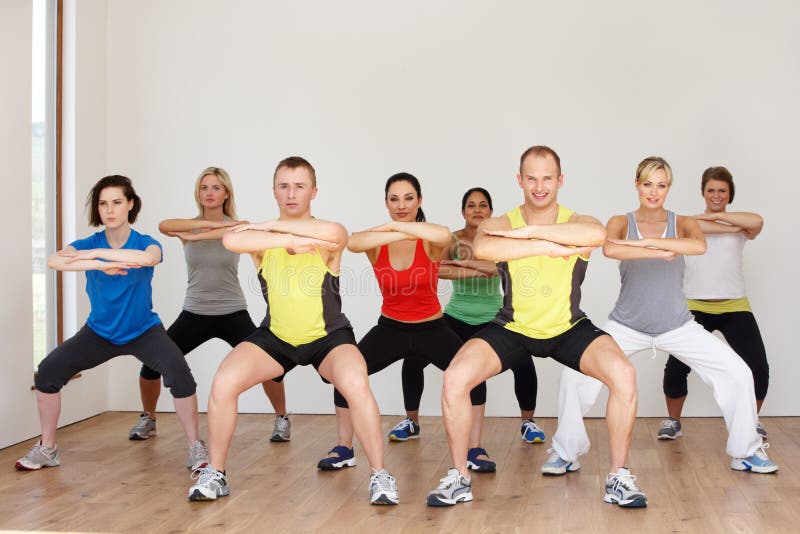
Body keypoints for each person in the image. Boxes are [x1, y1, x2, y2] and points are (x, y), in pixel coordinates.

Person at [428, 146, 644, 508]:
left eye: (547, 178)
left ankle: (618, 477)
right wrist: (548, 242)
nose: (539, 186)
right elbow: (482, 247)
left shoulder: (581, 220)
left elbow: (596, 237)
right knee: (455, 378)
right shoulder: (498, 225)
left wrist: (526, 236)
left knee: (623, 373)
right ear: (520, 180)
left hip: (568, 327)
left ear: (560, 180)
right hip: (512, 327)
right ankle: (459, 478)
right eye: (531, 178)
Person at [549, 156, 777, 491]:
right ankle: (565, 452)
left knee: (739, 373)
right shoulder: (620, 221)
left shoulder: (683, 222)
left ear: (668, 188)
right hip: (625, 325)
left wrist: (642, 246)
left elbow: (696, 245)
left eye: (661, 185)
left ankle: (745, 451)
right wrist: (660, 249)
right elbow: (611, 249)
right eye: (647, 184)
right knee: (573, 376)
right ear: (636, 184)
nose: (654, 192)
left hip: (677, 325)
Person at [187, 157, 398, 505]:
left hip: (327, 337)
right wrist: (281, 234)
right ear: (274, 190)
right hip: (276, 337)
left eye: (299, 186)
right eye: (284, 186)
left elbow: (337, 233)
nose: (291, 193)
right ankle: (217, 474)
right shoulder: (264, 238)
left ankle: (380, 475)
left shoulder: (326, 233)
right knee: (224, 381)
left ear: (313, 191)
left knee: (356, 381)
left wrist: (275, 231)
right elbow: (229, 238)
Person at [17, 175, 207, 472]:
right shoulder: (87, 243)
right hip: (99, 332)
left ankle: (195, 446)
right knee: (48, 372)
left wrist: (92, 255)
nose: (110, 209)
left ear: (130, 204)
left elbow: (147, 259)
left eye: (117, 202)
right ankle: (47, 448)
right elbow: (55, 261)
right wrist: (101, 263)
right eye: (103, 204)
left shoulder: (145, 242)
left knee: (180, 375)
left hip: (144, 330)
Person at [318, 173, 493, 473]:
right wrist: (398, 229)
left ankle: (474, 449)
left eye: (409, 198)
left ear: (420, 201)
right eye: (394, 199)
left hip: (432, 329)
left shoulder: (432, 242)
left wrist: (399, 227)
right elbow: (354, 242)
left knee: (472, 376)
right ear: (385, 202)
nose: (401, 205)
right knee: (346, 373)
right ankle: (344, 448)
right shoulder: (377, 243)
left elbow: (442, 235)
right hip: (391, 328)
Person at [130, 167, 289, 445]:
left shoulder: (240, 226)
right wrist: (205, 228)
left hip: (233, 312)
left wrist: (203, 233)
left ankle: (282, 418)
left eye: (216, 187)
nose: (209, 193)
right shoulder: (186, 226)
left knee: (270, 363)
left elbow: (241, 232)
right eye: (204, 188)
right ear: (198, 193)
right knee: (152, 363)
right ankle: (148, 418)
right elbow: (164, 226)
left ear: (226, 192)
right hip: (195, 312)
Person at [401, 187, 544, 453]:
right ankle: (411, 421)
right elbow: (436, 270)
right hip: (456, 316)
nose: (477, 210)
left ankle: (528, 422)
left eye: (482, 205)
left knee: (524, 361)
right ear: (463, 211)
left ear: (491, 211)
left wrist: (464, 266)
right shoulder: (452, 240)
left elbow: (499, 269)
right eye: (471, 205)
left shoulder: (497, 238)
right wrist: (476, 268)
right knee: (413, 357)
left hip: (495, 317)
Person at [659, 166, 769, 440]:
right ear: (703, 193)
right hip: (695, 306)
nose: (716, 195)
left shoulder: (740, 225)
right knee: (677, 366)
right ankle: (673, 422)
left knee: (757, 366)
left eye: (722, 191)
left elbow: (757, 221)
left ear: (730, 194)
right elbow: (685, 223)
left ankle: (752, 421)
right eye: (711, 190)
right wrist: (722, 224)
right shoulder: (689, 224)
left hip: (734, 305)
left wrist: (720, 217)